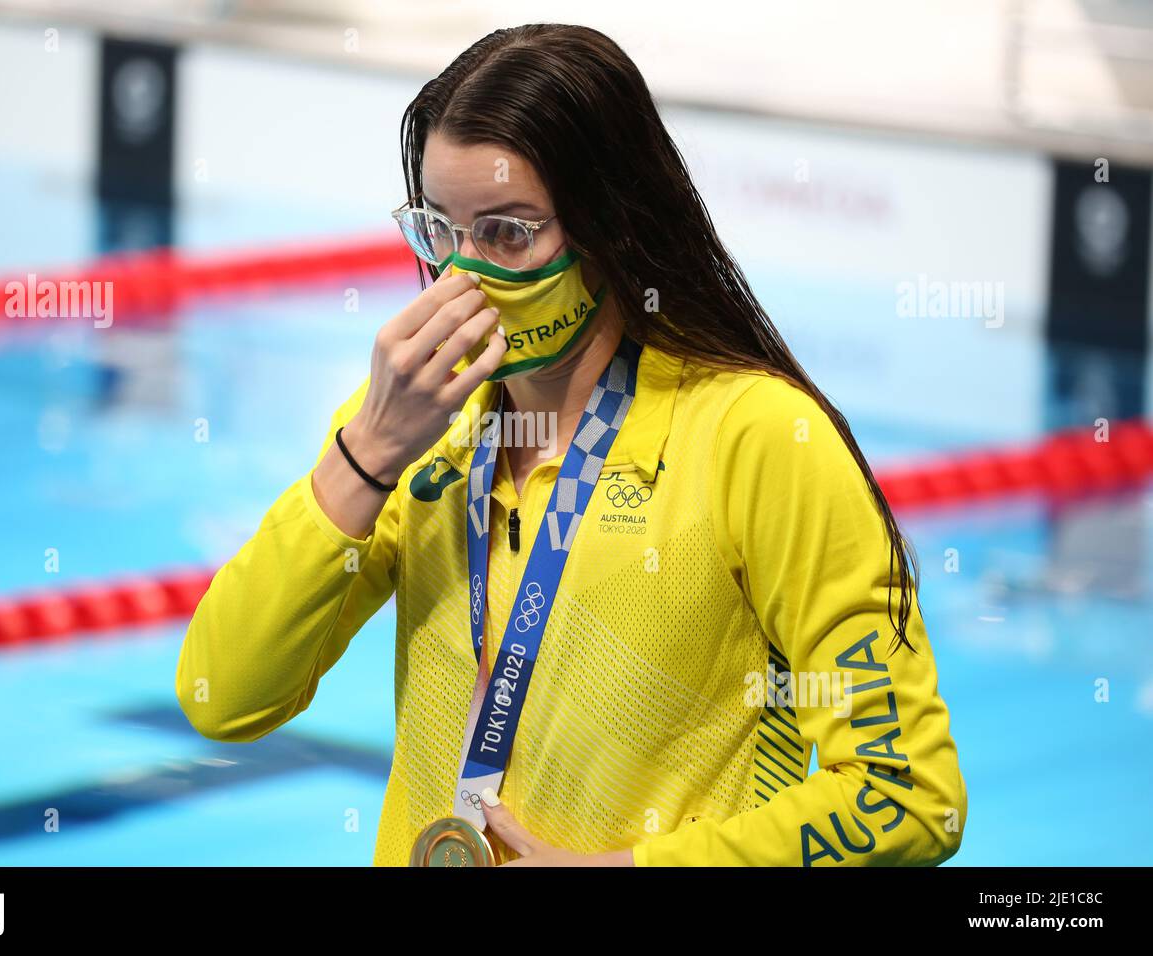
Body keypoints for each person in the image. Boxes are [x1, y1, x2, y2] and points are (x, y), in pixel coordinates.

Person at [175, 23, 967, 867]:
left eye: (508, 234)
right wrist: (366, 453)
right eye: (440, 229)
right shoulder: (417, 433)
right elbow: (221, 698)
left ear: (610, 227)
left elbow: (906, 796)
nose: (463, 275)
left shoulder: (760, 440)